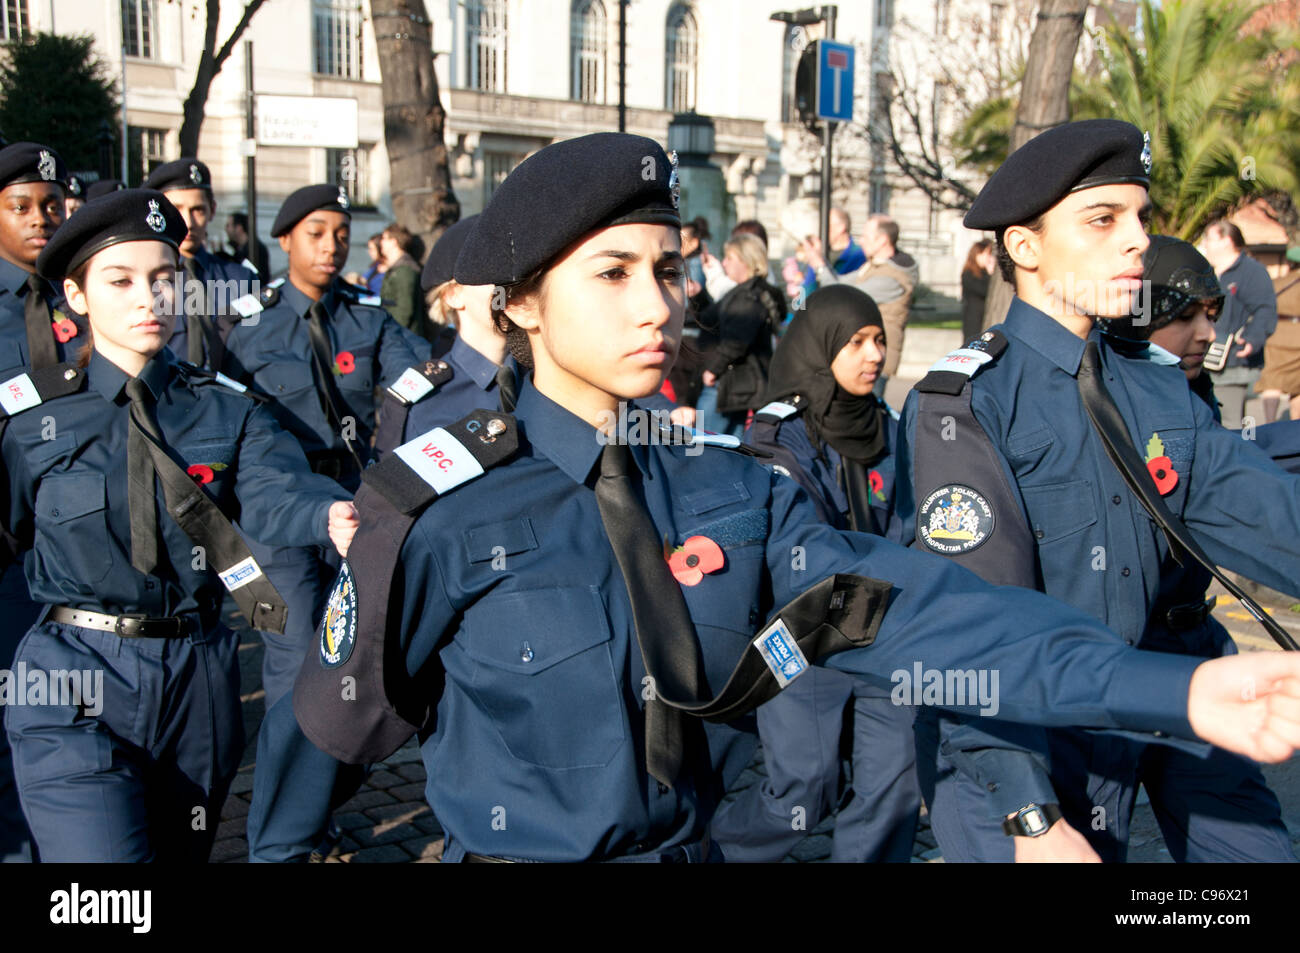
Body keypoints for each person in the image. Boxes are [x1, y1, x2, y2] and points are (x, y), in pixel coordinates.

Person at [266, 131, 1300, 865]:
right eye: (613, 273)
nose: (658, 306)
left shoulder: (728, 488)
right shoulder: (440, 503)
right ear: (524, 303)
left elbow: (920, 610)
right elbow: (345, 721)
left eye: (667, 271)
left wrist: (1178, 692)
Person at [897, 119, 1300, 863]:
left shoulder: (1152, 385)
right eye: (1104, 219)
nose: (1138, 239)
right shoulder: (965, 403)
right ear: (1025, 246)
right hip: (1023, 725)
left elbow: (1259, 506)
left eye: (1141, 216)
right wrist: (1030, 815)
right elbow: (971, 628)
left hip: (1164, 678)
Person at [2, 188, 358, 861]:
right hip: (73, 671)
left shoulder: (227, 410)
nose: (149, 299)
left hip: (198, 675)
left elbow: (276, 494)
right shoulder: (30, 419)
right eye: (121, 280)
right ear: (76, 297)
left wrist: (327, 512)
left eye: (164, 279)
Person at [711, 284, 920, 863]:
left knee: (893, 787)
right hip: (804, 637)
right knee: (805, 787)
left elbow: (915, 524)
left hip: (887, 635)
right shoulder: (779, 435)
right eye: (855, 342)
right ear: (818, 345)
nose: (874, 354)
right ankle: (717, 853)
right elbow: (806, 543)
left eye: (878, 340)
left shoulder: (894, 427)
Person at [222, 183, 430, 714]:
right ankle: (289, 779)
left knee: (349, 648)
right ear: (285, 239)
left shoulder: (368, 317)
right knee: (291, 648)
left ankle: (334, 767)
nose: (331, 246)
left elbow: (426, 382)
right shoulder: (244, 323)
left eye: (341, 235)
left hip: (352, 502)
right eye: (316, 234)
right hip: (277, 512)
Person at [0, 141, 87, 863]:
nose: (41, 220)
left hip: (73, 547)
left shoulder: (83, 302)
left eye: (52, 207)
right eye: (21, 206)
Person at [143, 159, 258, 372]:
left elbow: (256, 348)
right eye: (176, 209)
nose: (188, 222)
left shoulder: (241, 279)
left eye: (197, 210)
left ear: (212, 210)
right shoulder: (144, 282)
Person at [803, 214, 918, 397]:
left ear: (881, 241)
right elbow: (837, 282)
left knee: (866, 417)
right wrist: (817, 263)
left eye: (865, 236)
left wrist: (818, 265)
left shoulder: (892, 278)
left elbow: (840, 292)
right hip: (860, 355)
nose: (861, 241)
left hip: (875, 359)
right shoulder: (875, 266)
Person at [694, 232, 784, 437]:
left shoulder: (748, 296)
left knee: (702, 443)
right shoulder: (750, 292)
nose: (724, 263)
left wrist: (713, 370)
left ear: (746, 261)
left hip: (729, 381)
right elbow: (715, 318)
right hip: (737, 381)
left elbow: (737, 341)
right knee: (727, 445)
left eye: (729, 258)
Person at [1200, 218, 1278, 428]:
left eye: (1209, 238)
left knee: (1231, 424)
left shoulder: (1251, 272)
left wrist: (1253, 338)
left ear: (1226, 241)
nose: (1204, 243)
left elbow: (1265, 308)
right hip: (1204, 359)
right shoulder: (1207, 272)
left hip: (1233, 360)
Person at [1255, 245, 1300, 422]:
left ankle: (1269, 422)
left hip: (1277, 336)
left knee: (1272, 383)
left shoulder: (1277, 284)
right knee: (1297, 386)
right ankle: (1296, 427)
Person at [379, 222, 430, 341]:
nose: (381, 242)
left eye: (384, 238)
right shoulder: (397, 268)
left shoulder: (406, 270)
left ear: (394, 241)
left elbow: (405, 310)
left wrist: (391, 333)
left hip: (405, 338)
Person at [960, 238, 995, 342]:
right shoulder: (969, 274)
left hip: (986, 318)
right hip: (974, 320)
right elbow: (984, 290)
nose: (989, 258)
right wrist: (990, 274)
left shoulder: (985, 273)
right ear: (978, 254)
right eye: (987, 254)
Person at [224, 211, 270, 278]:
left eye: (228, 225)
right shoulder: (239, 248)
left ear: (239, 228)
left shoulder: (255, 249)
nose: (226, 229)